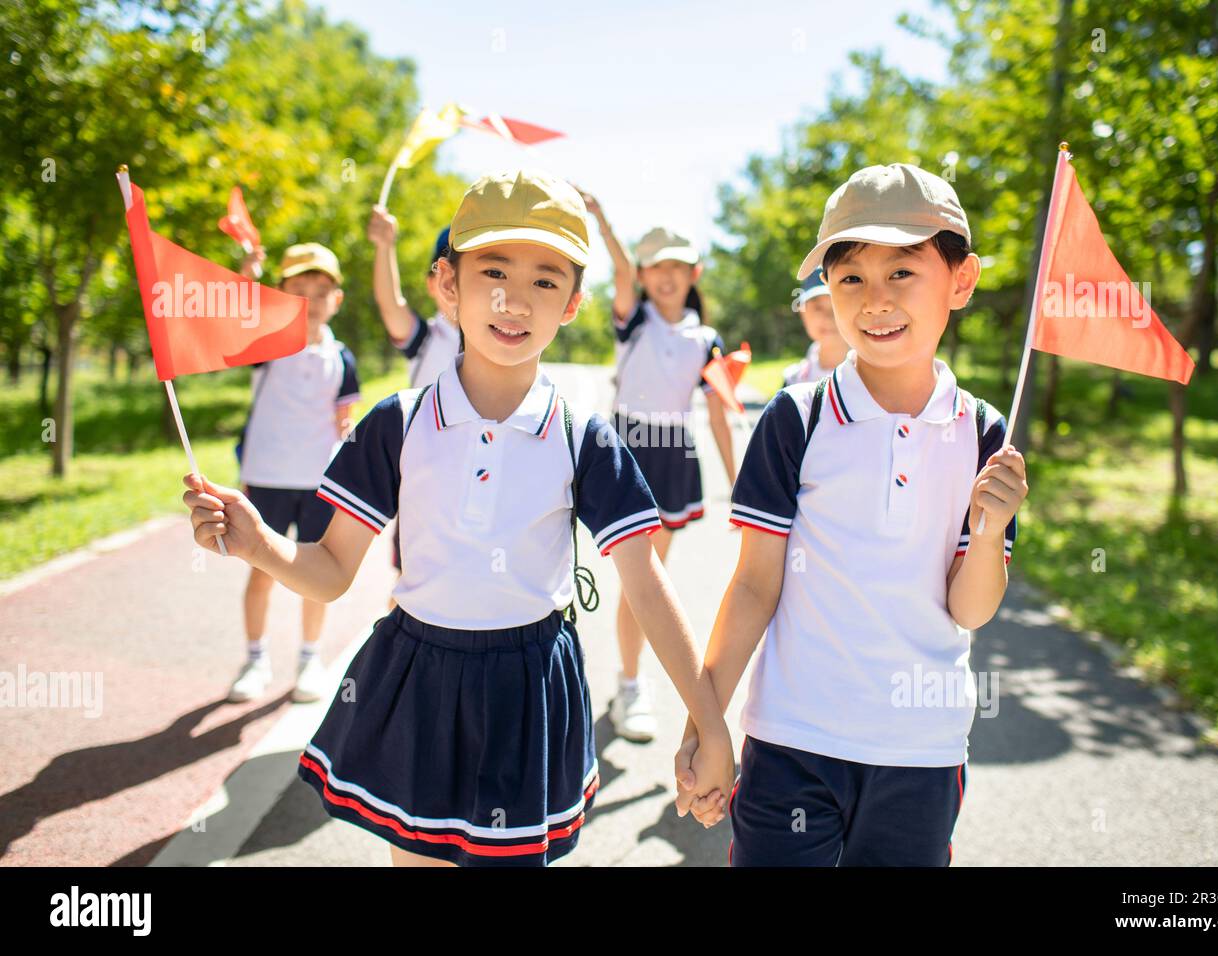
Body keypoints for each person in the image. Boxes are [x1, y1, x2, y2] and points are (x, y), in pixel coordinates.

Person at [183, 168, 734, 867]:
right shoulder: (397, 423)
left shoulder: (583, 436)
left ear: (572, 303)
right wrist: (259, 543)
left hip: (529, 689)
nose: (514, 298)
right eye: (494, 270)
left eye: (546, 278)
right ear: (448, 284)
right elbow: (328, 573)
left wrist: (707, 724)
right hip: (416, 678)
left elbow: (648, 585)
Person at [675, 163, 1029, 866]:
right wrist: (705, 725)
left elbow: (970, 609)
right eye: (850, 278)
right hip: (792, 742)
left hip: (922, 751)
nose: (875, 300)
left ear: (960, 280)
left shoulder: (985, 432)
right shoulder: (796, 419)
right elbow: (753, 587)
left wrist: (988, 537)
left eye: (902, 272)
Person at [580, 189, 736, 743]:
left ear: (694, 271)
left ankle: (629, 683)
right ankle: (613, 682)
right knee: (627, 576)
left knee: (648, 581)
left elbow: (719, 415)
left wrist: (741, 485)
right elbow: (618, 271)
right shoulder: (633, 319)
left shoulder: (706, 338)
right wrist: (601, 220)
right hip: (623, 452)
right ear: (642, 275)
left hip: (673, 457)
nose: (666, 276)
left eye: (677, 265)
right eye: (655, 266)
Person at [230, 242, 360, 704]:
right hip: (266, 478)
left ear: (337, 300)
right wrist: (247, 275)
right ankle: (254, 659)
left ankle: (309, 659)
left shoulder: (342, 358)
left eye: (321, 290)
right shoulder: (267, 344)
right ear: (279, 294)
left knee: (314, 574)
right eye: (298, 289)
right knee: (261, 573)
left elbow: (344, 422)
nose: (311, 299)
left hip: (319, 484)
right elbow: (239, 322)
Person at [367, 208, 462, 589]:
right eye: (443, 274)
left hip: (480, 481)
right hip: (422, 488)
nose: (453, 285)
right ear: (431, 283)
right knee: (412, 585)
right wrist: (384, 246)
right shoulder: (425, 338)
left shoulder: (499, 340)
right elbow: (390, 303)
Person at [783, 267, 849, 387]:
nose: (828, 317)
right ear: (803, 313)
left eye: (836, 305)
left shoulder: (877, 376)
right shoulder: (793, 380)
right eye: (817, 308)